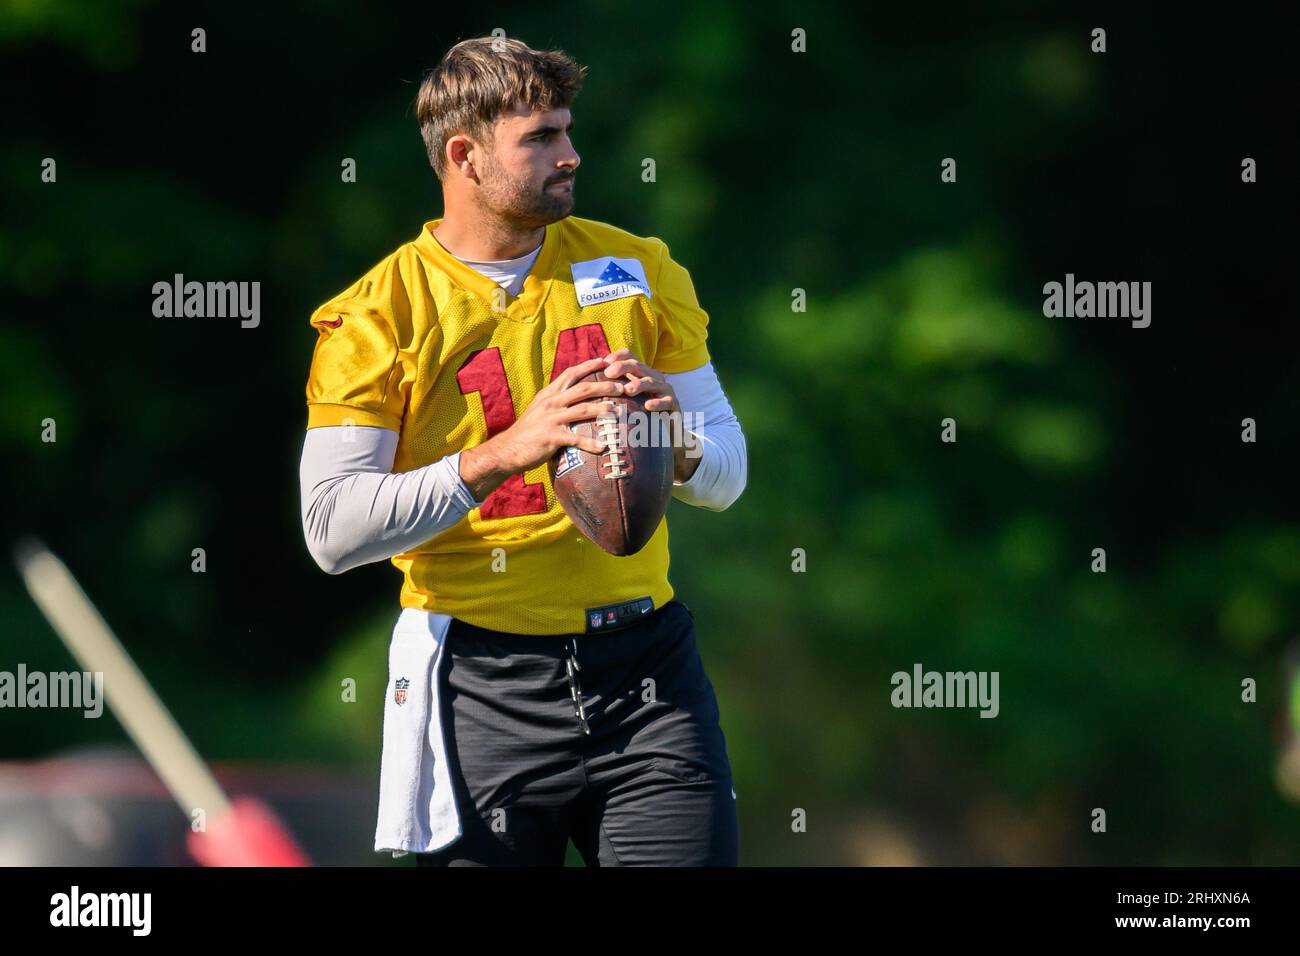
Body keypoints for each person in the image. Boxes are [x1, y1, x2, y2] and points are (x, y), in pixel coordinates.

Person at [299, 36, 747, 866]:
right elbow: (330, 531)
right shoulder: (378, 316)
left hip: (647, 674)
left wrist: (673, 440)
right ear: (464, 156)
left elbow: (727, 473)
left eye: (568, 130)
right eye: (540, 138)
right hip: (480, 683)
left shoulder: (638, 267)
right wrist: (506, 451)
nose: (570, 155)